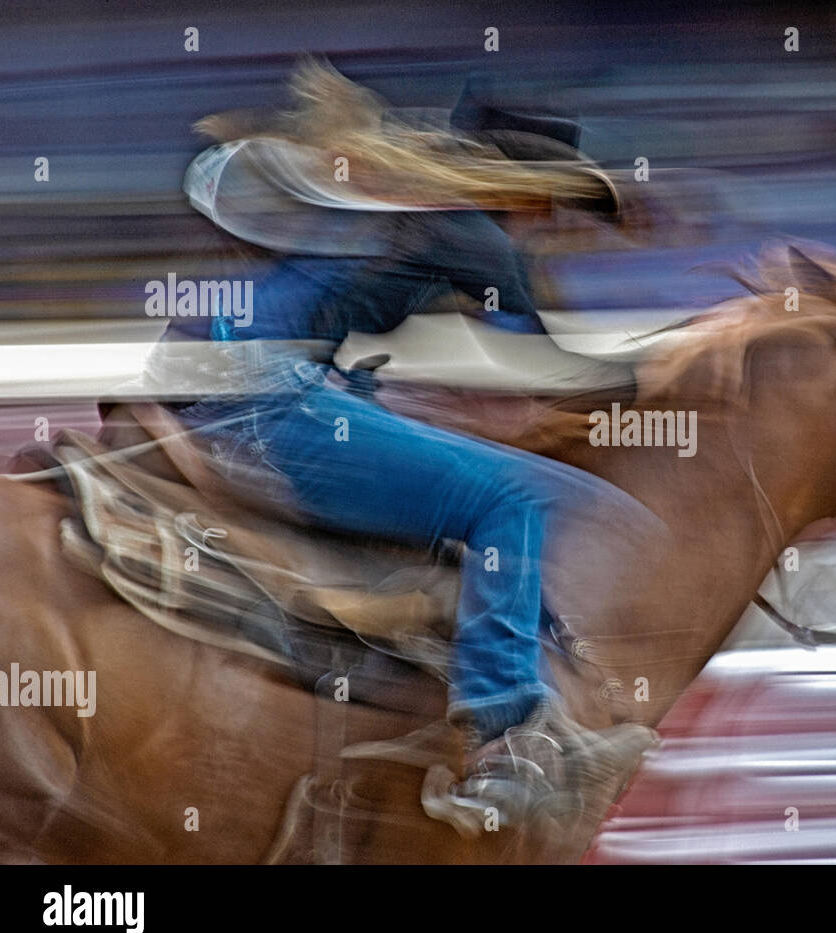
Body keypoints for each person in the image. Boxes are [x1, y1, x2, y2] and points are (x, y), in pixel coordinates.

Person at [156, 60, 652, 831]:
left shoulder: (406, 210)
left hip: (213, 387)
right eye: (554, 201)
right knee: (511, 499)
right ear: (523, 188)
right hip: (267, 407)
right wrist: (666, 374)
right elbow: (549, 367)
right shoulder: (472, 232)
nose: (552, 219)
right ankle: (503, 739)